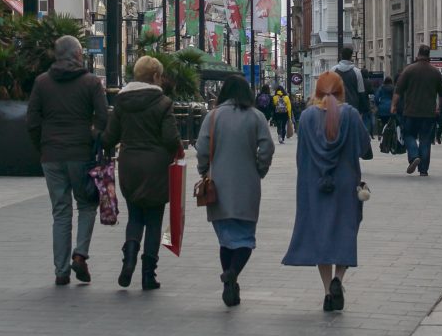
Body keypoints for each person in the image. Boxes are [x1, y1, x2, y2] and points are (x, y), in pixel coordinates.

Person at [282, 71, 373, 311]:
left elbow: (301, 155)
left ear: (317, 92)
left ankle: (326, 291)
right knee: (345, 231)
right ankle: (338, 280)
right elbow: (364, 147)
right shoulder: (351, 115)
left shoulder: (308, 116)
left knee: (321, 233)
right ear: (342, 92)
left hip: (316, 185)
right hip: (345, 183)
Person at [27, 36, 110, 286]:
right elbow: (104, 117)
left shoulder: (42, 82)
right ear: (77, 55)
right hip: (81, 154)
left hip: (51, 155)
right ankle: (80, 254)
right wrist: (93, 136)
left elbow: (32, 121)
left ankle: (61, 270)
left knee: (61, 212)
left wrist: (42, 146)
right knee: (86, 205)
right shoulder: (91, 82)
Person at [195, 75, 275, 307]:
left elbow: (201, 147)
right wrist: (260, 168)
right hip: (247, 185)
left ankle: (229, 278)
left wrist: (204, 170)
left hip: (217, 185)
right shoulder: (256, 116)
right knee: (245, 238)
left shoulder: (213, 116)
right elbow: (267, 147)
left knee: (226, 239)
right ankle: (232, 274)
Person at [103, 55, 181, 292]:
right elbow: (170, 139)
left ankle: (128, 259)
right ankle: (149, 274)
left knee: (135, 215)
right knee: (154, 219)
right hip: (156, 166)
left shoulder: (121, 102)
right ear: (156, 77)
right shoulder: (163, 103)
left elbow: (110, 138)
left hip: (129, 163)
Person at [392, 46, 442, 176]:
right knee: (425, 139)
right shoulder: (435, 72)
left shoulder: (409, 70)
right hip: (429, 113)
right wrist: (439, 108)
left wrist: (393, 106)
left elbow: (398, 90)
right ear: (429, 56)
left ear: (418, 55)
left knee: (408, 135)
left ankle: (414, 155)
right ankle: (423, 170)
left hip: (410, 111)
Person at [333, 46, 372, 134]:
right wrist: (362, 110)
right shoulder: (357, 72)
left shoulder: (333, 70)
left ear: (340, 55)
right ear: (351, 56)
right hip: (353, 108)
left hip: (336, 107)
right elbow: (361, 92)